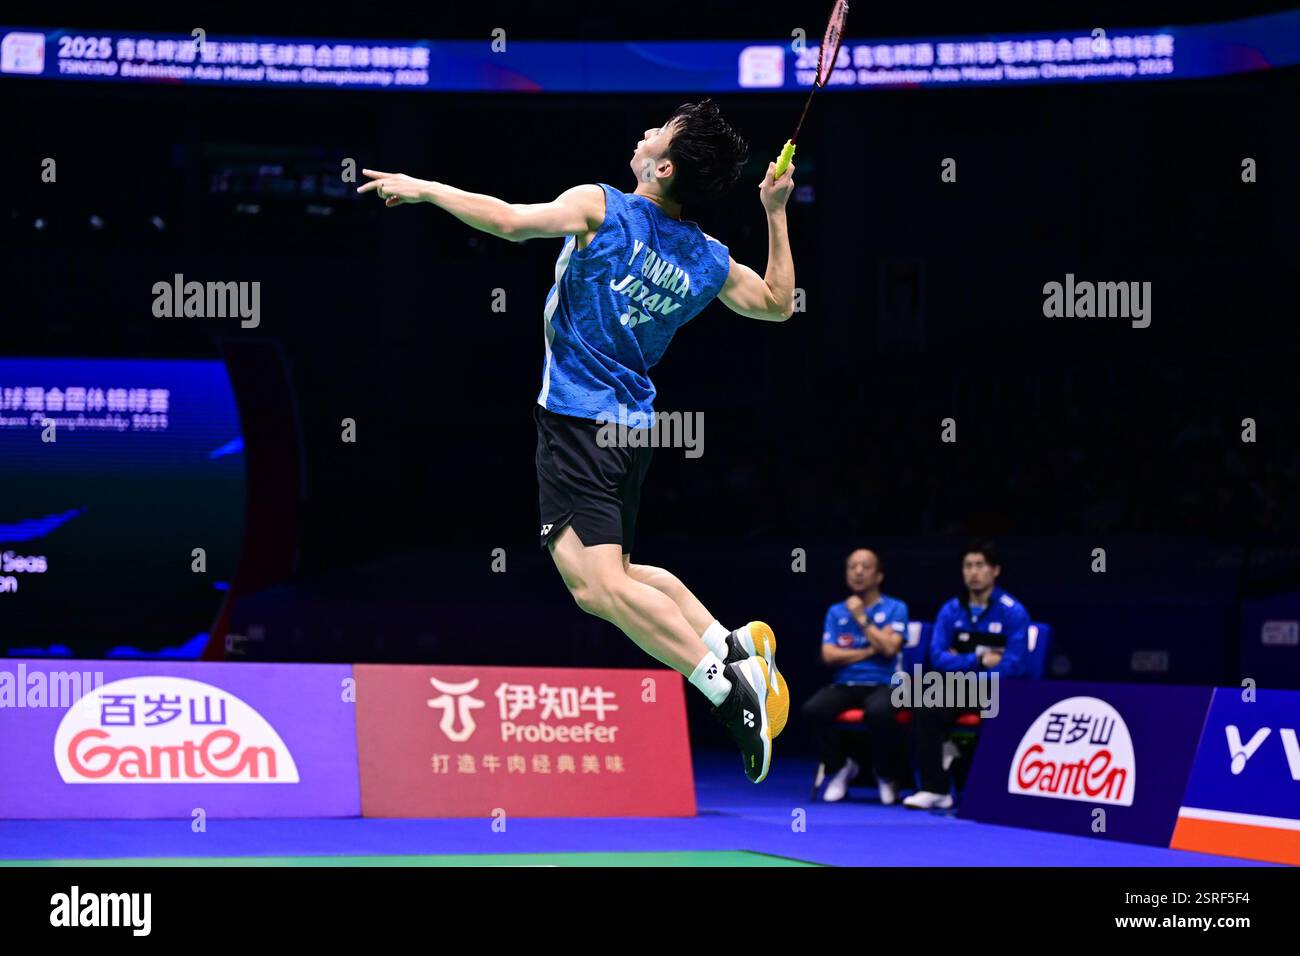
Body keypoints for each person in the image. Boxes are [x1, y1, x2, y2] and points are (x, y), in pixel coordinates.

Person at [358, 100, 796, 782]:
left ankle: (729, 693)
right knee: (612, 577)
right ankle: (731, 645)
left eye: (659, 132)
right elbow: (776, 303)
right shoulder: (706, 258)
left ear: (663, 167)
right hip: (631, 431)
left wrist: (426, 188)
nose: (645, 131)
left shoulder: (602, 206)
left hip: (577, 421)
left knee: (601, 588)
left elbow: (509, 222)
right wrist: (775, 211)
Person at [903, 540, 1030, 809]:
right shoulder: (950, 610)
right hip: (963, 687)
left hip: (998, 690)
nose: (973, 572)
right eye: (968, 566)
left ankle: (994, 790)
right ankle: (935, 789)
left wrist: (962, 664)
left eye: (980, 565)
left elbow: (1014, 665)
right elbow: (938, 658)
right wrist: (979, 659)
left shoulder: (1013, 612)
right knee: (925, 705)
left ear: (995, 570)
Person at [802, 549, 909, 803]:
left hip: (886, 682)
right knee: (813, 710)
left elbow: (890, 649)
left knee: (879, 711)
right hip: (846, 683)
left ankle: (885, 775)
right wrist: (872, 649)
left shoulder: (896, 608)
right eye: (852, 567)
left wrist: (862, 618)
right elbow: (829, 655)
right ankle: (840, 767)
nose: (858, 572)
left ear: (879, 575)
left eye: (866, 566)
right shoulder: (836, 612)